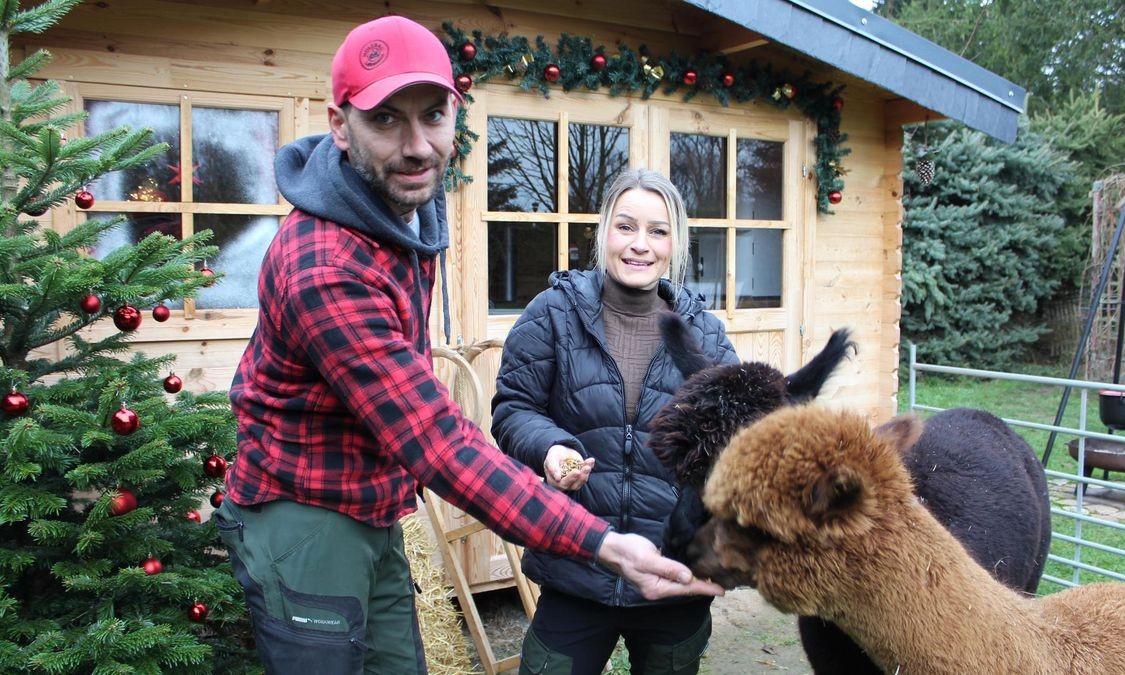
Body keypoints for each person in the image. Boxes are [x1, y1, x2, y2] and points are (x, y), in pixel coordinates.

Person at [213, 17, 721, 675]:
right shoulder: (327, 265)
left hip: (373, 505)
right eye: (386, 119)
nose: (416, 145)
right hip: (304, 508)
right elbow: (439, 440)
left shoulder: (402, 214)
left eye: (432, 115)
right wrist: (601, 539)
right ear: (340, 125)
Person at [492, 168, 739, 675]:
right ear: (603, 232)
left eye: (657, 231)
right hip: (576, 565)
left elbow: (737, 443)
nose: (639, 244)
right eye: (626, 227)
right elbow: (513, 408)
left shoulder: (707, 337)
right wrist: (550, 448)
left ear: (675, 244)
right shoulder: (552, 315)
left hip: (674, 575)